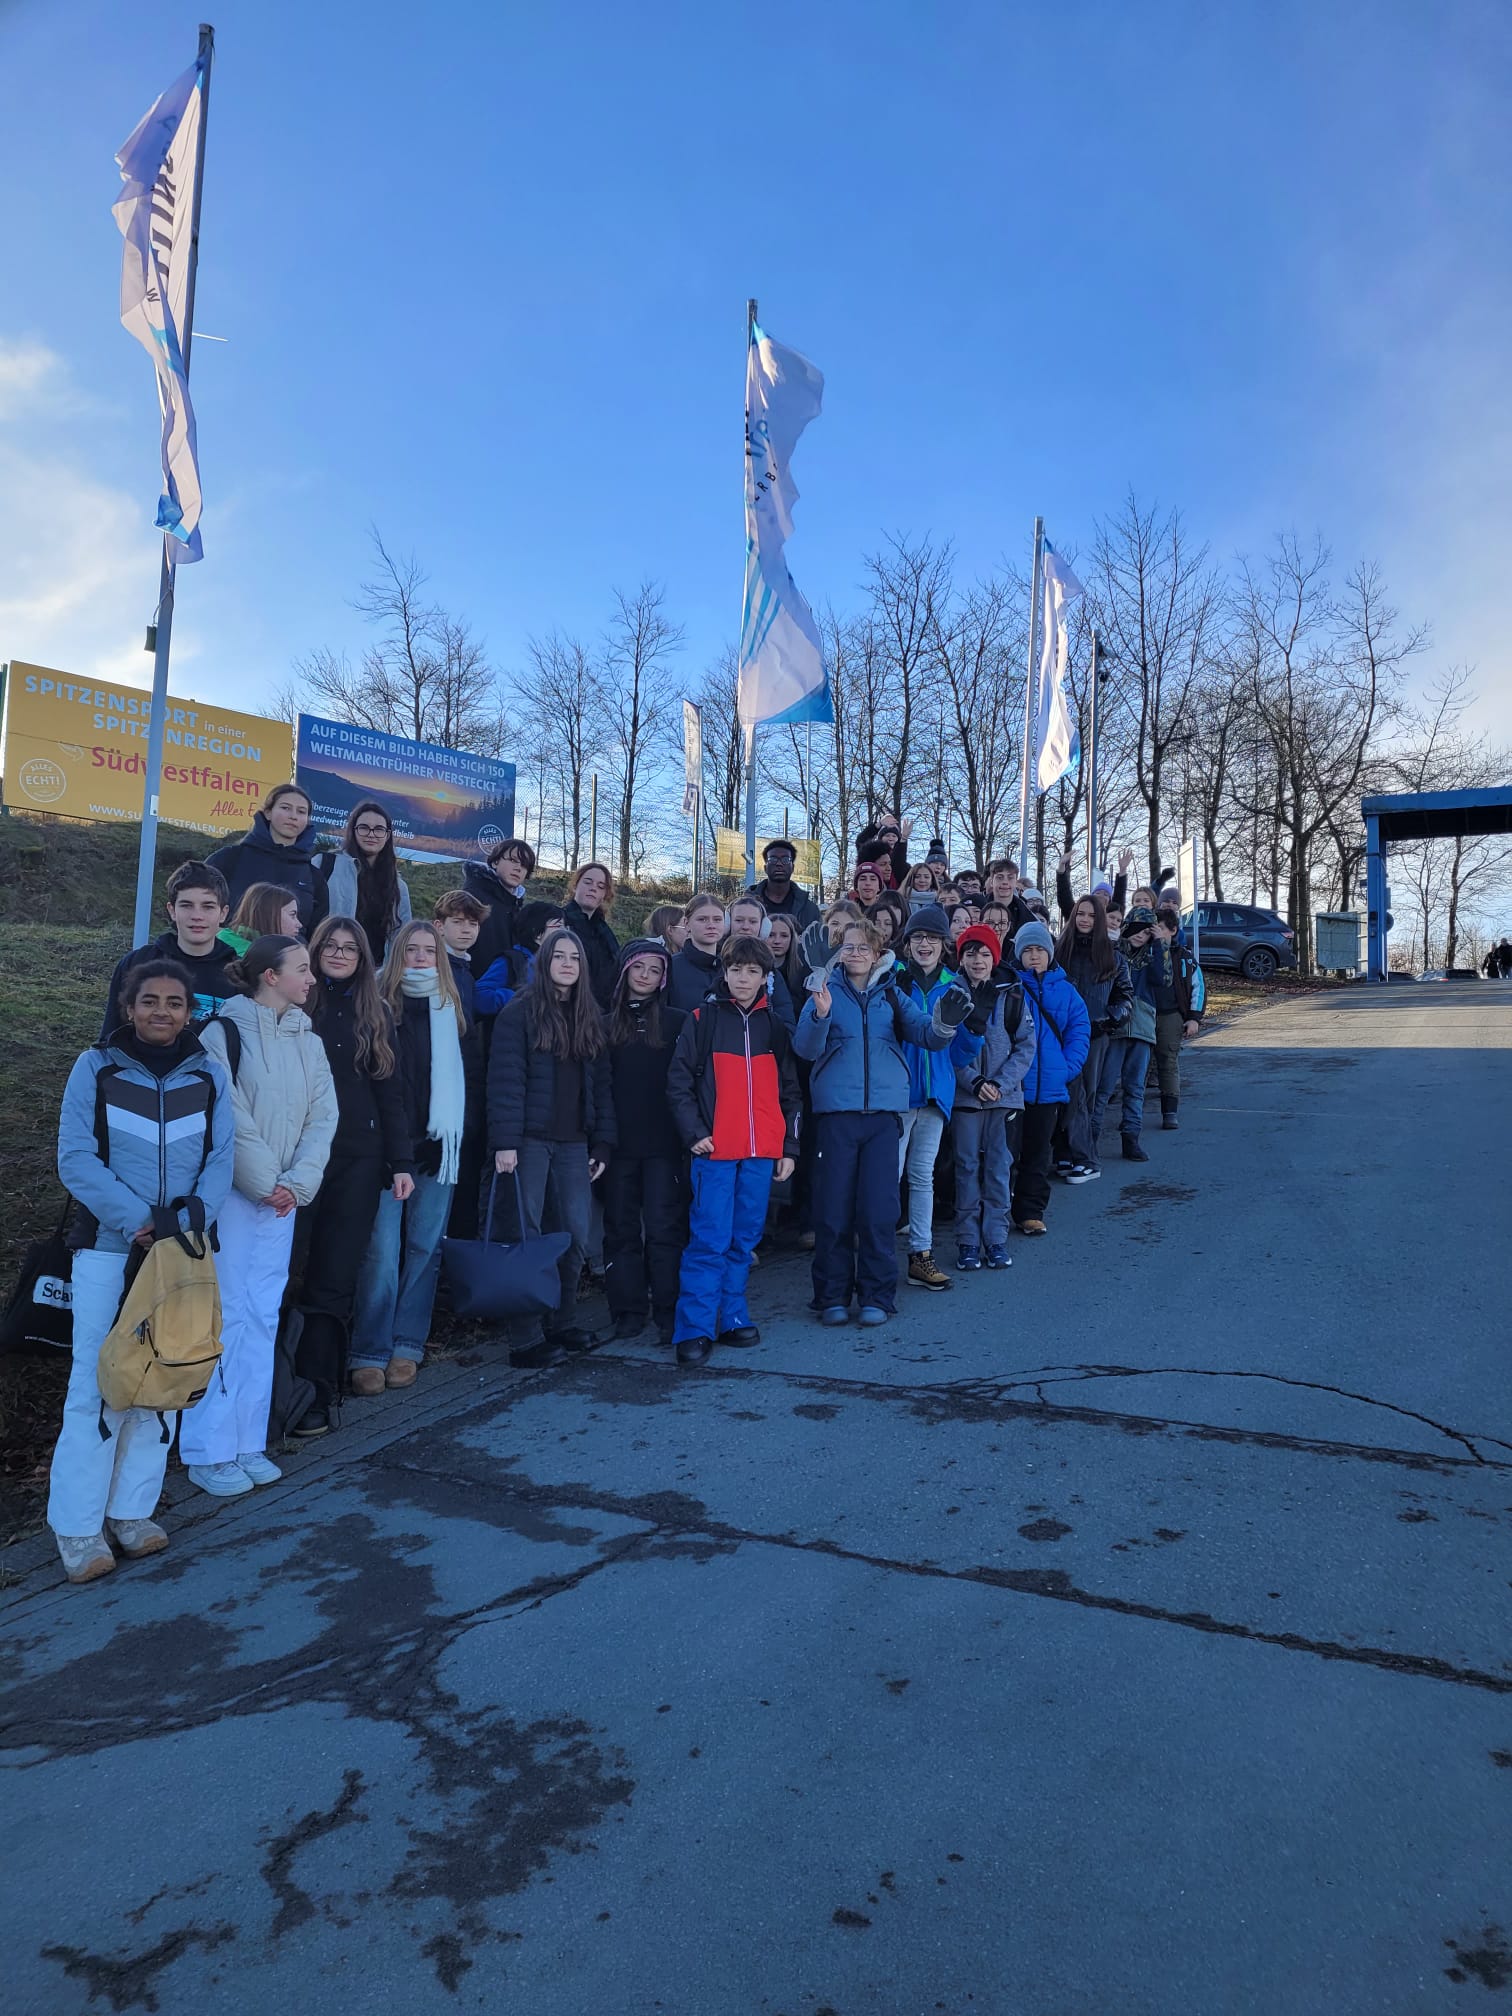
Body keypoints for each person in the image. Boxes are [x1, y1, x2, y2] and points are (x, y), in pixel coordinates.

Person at [48, 960, 236, 1582]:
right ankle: (78, 1527)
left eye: (175, 1002)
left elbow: (221, 1154)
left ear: (191, 1011)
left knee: (163, 1379)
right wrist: (139, 1219)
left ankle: (131, 1514)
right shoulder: (94, 1067)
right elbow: (75, 1157)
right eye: (149, 1001)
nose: (162, 1011)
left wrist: (188, 1218)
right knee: (98, 1386)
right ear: (128, 1007)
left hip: (180, 1251)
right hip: (110, 1249)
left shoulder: (208, 1072)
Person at [181, 936, 338, 1493]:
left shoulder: (308, 1040)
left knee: (264, 1316)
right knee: (225, 1316)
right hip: (236, 1199)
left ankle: (248, 1441)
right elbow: (227, 1114)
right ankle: (207, 1450)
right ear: (270, 976)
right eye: (302, 969)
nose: (312, 978)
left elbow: (324, 1116)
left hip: (282, 1202)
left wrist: (295, 1184)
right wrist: (265, 1182)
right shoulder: (221, 1032)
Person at [795, 915, 962, 1325]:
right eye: (848, 947)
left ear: (877, 954)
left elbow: (926, 1034)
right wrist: (820, 1014)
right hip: (837, 1115)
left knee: (879, 1210)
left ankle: (877, 1295)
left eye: (863, 948)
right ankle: (831, 1295)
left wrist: (945, 1025)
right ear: (837, 952)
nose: (855, 954)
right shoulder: (823, 988)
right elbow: (805, 1048)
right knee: (833, 1210)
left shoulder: (892, 994)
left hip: (885, 1116)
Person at [292, 917, 413, 1437]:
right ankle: (278, 1387)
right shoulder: (295, 1006)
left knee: (336, 1277)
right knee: (289, 1274)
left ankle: (317, 1392)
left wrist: (401, 1161)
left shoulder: (375, 1012)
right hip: (294, 1159)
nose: (339, 954)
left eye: (350, 948)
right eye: (330, 946)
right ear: (314, 952)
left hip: (357, 1160)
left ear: (363, 957)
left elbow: (391, 1091)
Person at [346, 922, 471, 1393]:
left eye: (429, 950)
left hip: (439, 1146)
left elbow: (468, 1077)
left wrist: (454, 1133)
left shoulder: (451, 1005)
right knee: (380, 1250)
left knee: (424, 1247)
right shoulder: (376, 1005)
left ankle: (407, 1345)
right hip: (387, 1148)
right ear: (397, 954)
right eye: (412, 950)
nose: (420, 957)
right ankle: (370, 1350)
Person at [666, 936, 799, 1366]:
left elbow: (791, 1094)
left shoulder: (775, 1029)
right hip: (716, 1152)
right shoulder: (702, 1019)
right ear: (724, 972)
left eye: (752, 971)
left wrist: (788, 1147)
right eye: (736, 969)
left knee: (744, 1240)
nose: (743, 978)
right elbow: (679, 1083)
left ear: (765, 977)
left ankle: (733, 1316)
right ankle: (695, 1327)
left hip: (760, 1154)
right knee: (709, 1240)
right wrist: (694, 1133)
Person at [487, 928, 616, 1367]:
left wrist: (603, 1142)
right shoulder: (518, 1013)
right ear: (543, 964)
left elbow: (601, 1087)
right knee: (527, 1237)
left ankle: (562, 1322)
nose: (566, 964)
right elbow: (505, 1082)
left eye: (574, 958)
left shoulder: (589, 1016)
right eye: (557, 956)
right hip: (527, 1142)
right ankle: (526, 1338)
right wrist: (505, 1143)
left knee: (574, 1235)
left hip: (575, 1143)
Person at [602, 941, 688, 1347]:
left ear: (662, 979)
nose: (645, 976)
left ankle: (668, 1310)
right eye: (639, 968)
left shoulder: (676, 1023)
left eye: (654, 971)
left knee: (664, 1228)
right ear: (625, 971)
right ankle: (627, 1309)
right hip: (617, 1145)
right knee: (620, 1228)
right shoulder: (603, 1025)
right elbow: (597, 1087)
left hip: (664, 1144)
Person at [893, 907, 983, 1291]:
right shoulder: (893, 982)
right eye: (918, 937)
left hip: (935, 1094)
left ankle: (921, 1254)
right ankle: (877, 1251)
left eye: (932, 938)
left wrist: (974, 1031)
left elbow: (960, 1054)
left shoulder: (954, 986)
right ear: (908, 943)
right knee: (888, 1175)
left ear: (944, 944)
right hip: (897, 1093)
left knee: (921, 1176)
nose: (925, 944)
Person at [951, 925, 1035, 1270]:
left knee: (999, 1169)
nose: (978, 960)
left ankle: (996, 1238)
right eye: (971, 953)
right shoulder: (950, 992)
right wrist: (973, 1081)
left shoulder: (1012, 994)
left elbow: (1026, 1046)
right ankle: (968, 1241)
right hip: (966, 1098)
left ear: (994, 957)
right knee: (966, 1168)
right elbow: (945, 1047)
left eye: (985, 953)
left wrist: (1000, 1083)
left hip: (1004, 1098)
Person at [1009, 921, 1090, 1236]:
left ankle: (1030, 1211)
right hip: (1015, 1086)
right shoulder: (1010, 987)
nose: (1033, 956)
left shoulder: (1066, 990)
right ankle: (1000, 1207)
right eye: (1027, 950)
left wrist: (1067, 1068)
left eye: (1039, 950)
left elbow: (1079, 1032)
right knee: (1006, 1153)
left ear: (1049, 952)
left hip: (1051, 1088)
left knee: (1039, 1153)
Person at [100, 859, 238, 1036]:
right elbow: (112, 1033)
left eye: (208, 907)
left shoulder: (237, 972)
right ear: (172, 910)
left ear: (223, 913)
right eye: (186, 905)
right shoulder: (138, 962)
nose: (197, 916)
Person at [1054, 894, 1133, 1180]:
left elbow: (1126, 998)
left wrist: (1107, 1020)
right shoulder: (1059, 952)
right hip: (1059, 1034)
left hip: (1095, 1036)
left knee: (1084, 1095)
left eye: (1091, 915)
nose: (1085, 920)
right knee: (1061, 1094)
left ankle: (1085, 1157)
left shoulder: (1113, 957)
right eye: (1080, 914)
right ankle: (1064, 1152)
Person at [206, 783, 328, 935]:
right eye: (285, 808)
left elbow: (317, 932)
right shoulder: (230, 857)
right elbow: (198, 904)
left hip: (289, 956)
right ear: (268, 813)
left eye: (301, 811)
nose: (293, 816)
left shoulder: (313, 876)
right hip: (231, 955)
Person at [1090, 907, 1159, 1163]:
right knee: (1104, 1086)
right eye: (1136, 928)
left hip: (1142, 1028)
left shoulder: (1154, 957)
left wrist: (1160, 945)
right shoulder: (1113, 954)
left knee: (1135, 1087)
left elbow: (1163, 981)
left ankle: (1131, 1138)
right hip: (1116, 1027)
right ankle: (1091, 1139)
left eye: (1146, 930)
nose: (1140, 935)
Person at [313, 801, 412, 964]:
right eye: (364, 827)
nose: (371, 834)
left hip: (376, 977)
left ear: (387, 835)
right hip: (330, 967)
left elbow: (402, 938)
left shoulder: (398, 886)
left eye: (379, 829)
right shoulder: (324, 865)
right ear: (353, 831)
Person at [1150, 911, 1205, 1129]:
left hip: (1171, 1014)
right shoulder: (1144, 953)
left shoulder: (1185, 958)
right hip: (1145, 1013)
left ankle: (1170, 1111)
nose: (1156, 933)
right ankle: (1131, 1112)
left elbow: (1198, 988)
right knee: (1138, 1064)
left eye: (1160, 928)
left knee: (1168, 1061)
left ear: (1173, 931)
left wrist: (1193, 1018)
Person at [462, 837, 537, 981]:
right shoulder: (472, 896)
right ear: (496, 861)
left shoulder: (516, 906)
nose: (518, 868)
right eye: (513, 860)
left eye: (524, 865)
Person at [475, 900, 564, 1021]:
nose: (564, 933)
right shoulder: (510, 961)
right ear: (537, 932)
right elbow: (480, 997)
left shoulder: (557, 963)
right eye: (558, 927)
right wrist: (519, 998)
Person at [726, 893, 799, 1030]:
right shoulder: (714, 964)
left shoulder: (773, 974)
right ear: (728, 923)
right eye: (739, 920)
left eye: (753, 921)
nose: (746, 927)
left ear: (763, 927)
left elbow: (786, 1023)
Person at [562, 862, 621, 1007]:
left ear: (604, 895)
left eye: (601, 886)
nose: (593, 888)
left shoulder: (605, 933)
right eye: (588, 882)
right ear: (575, 886)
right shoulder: (558, 922)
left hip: (602, 1010)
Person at [668, 893, 728, 1012]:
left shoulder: (733, 966)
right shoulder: (671, 966)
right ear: (686, 923)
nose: (711, 925)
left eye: (717, 919)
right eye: (702, 919)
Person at [434, 889, 485, 1022]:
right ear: (439, 927)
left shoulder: (467, 973)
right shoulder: (432, 968)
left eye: (473, 924)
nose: (466, 930)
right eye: (458, 922)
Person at [748, 838, 820, 929]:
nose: (779, 864)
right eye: (773, 859)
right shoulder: (747, 904)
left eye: (785, 859)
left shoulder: (809, 910)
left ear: (792, 867)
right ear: (765, 868)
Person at [1055, 848, 1132, 923]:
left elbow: (1120, 896)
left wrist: (1123, 870)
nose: (1101, 896)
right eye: (1098, 893)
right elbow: (1065, 897)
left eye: (1106, 894)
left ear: (1110, 901)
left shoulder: (1113, 919)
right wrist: (1061, 867)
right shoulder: (1078, 913)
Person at [222, 882, 303, 953]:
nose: (299, 924)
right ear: (269, 915)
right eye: (292, 915)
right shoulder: (255, 958)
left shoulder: (221, 941)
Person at [856, 815, 912, 889]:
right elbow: (861, 842)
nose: (891, 838)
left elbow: (898, 862)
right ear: (880, 838)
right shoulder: (871, 855)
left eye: (894, 836)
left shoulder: (904, 864)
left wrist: (903, 839)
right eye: (887, 835)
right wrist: (879, 824)